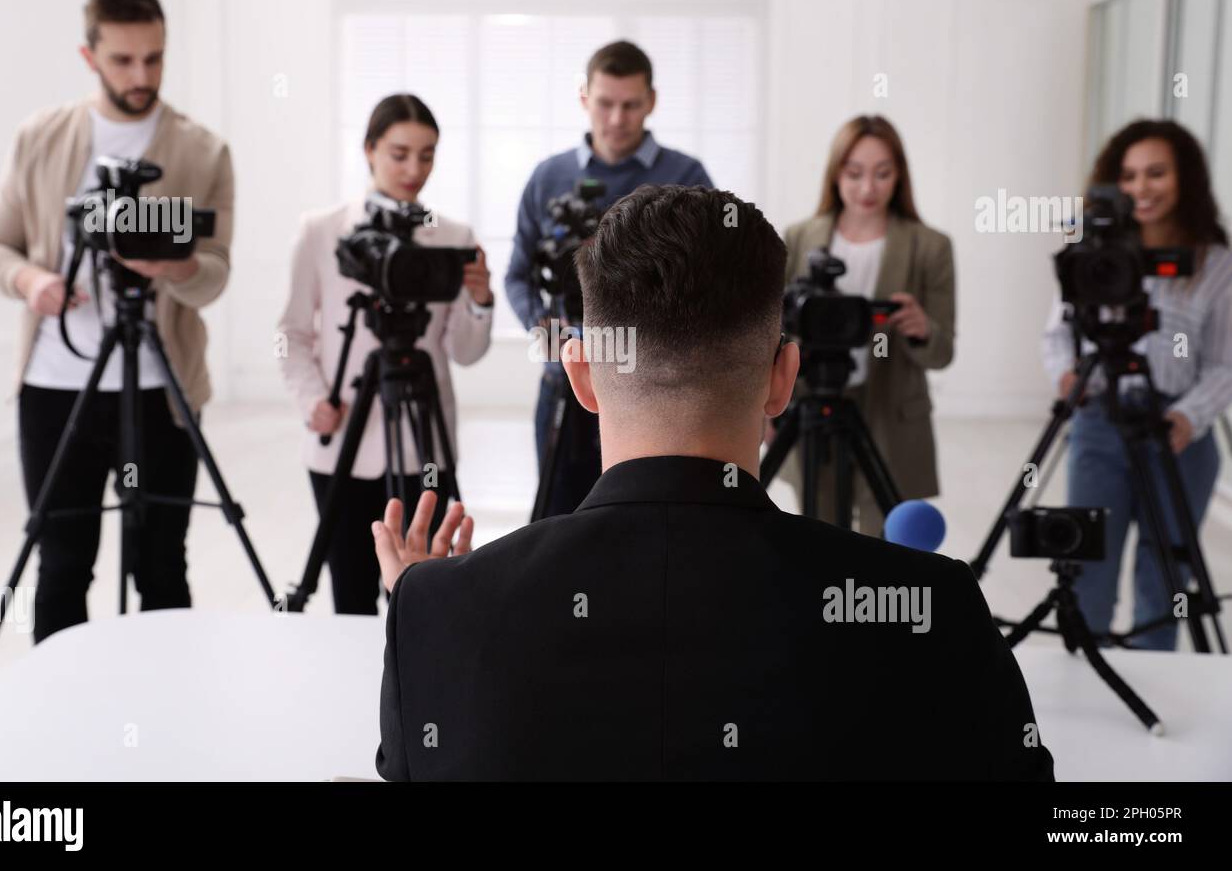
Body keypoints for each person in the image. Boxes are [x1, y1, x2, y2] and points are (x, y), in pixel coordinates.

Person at [374, 184, 1053, 781]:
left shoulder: (433, 611)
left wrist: (436, 602)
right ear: (783, 376)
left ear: (581, 376)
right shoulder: (931, 608)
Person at [0, 0, 232, 642]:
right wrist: (34, 280)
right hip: (57, 388)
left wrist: (174, 266)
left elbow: (214, 278)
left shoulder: (203, 151)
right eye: (123, 60)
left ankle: (164, 706)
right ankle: (60, 714)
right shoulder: (41, 138)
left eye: (154, 58)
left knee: (161, 565)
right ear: (89, 56)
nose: (141, 75)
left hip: (160, 392)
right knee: (62, 563)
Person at [277, 94, 494, 614]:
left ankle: (419, 690)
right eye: (399, 154)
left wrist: (480, 301)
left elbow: (464, 353)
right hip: (342, 444)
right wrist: (312, 402)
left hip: (426, 448)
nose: (413, 169)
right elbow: (290, 334)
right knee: (350, 593)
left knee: (429, 593)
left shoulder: (453, 237)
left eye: (427, 155)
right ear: (369, 150)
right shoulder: (322, 231)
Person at [1043, 119, 1232, 651]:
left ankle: (1155, 696)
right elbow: (1057, 334)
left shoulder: (1215, 265)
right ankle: (1085, 681)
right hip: (1098, 423)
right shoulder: (1086, 250)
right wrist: (1065, 374)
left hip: (1178, 432)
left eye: (1157, 173)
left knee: (1165, 581)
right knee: (1087, 571)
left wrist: (1187, 418)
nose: (1141, 188)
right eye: (1128, 176)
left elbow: (1224, 365)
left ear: (1184, 179)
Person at [504, 40, 712, 518]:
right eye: (605, 103)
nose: (617, 118)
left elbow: (707, 278)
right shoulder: (548, 177)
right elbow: (517, 274)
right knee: (558, 521)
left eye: (630, 105)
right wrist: (544, 328)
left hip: (660, 387)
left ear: (651, 102)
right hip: (566, 376)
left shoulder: (685, 174)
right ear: (584, 99)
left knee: (647, 518)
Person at [777, 115, 955, 537]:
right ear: (836, 173)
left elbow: (943, 351)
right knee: (815, 538)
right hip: (811, 399)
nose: (868, 188)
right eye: (854, 173)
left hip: (890, 408)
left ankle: (877, 606)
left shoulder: (930, 247)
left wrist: (921, 328)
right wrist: (767, 406)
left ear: (900, 176)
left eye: (882, 173)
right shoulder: (799, 237)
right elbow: (774, 331)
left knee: (888, 544)